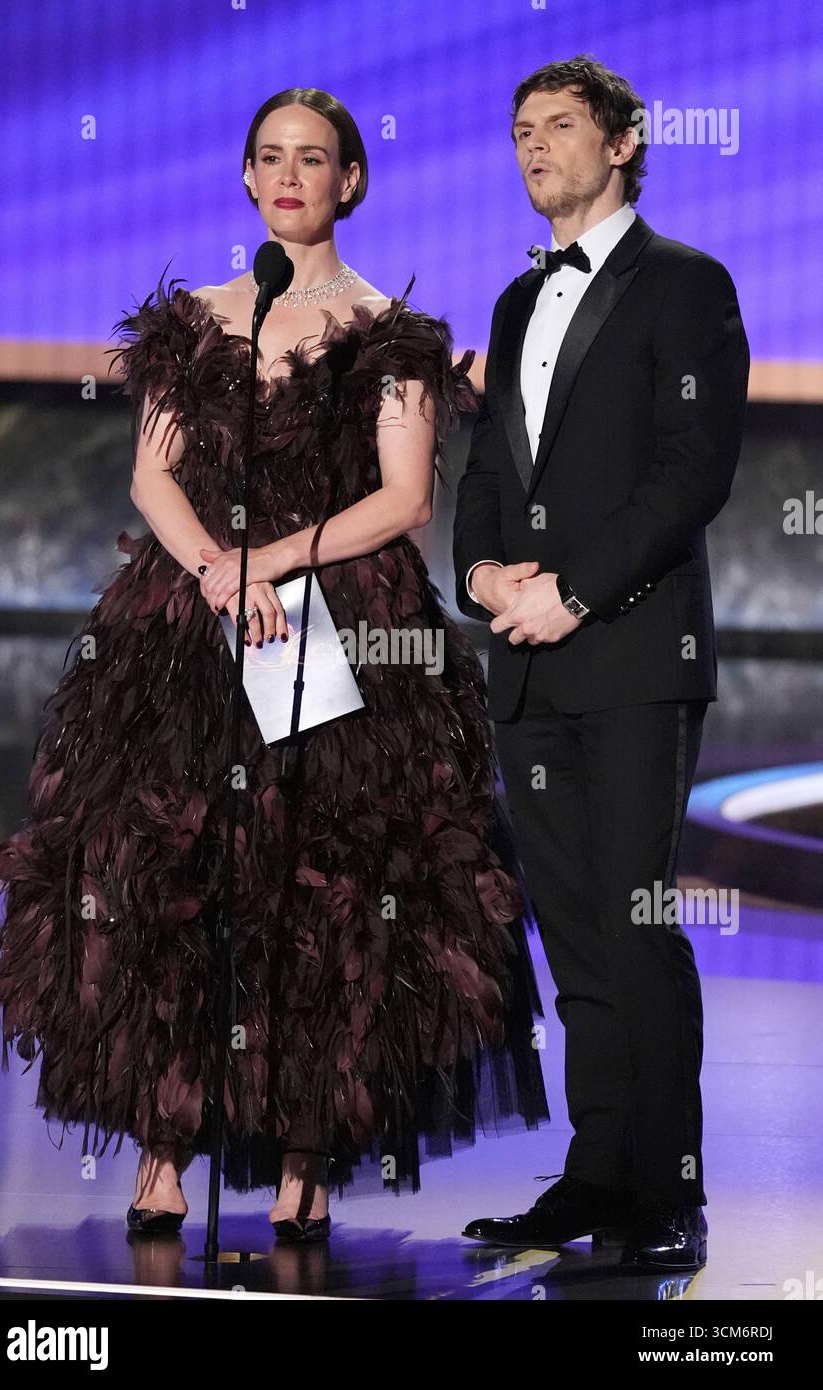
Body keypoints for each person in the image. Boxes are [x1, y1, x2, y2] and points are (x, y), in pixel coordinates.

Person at [0, 87, 549, 1244]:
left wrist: (273, 562)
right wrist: (213, 571)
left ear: (351, 180)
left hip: (342, 622)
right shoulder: (196, 321)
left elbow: (402, 498)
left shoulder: (388, 334)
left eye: (315, 159)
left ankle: (309, 1152)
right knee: (172, 873)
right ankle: (164, 1139)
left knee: (325, 880)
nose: (290, 176)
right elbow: (154, 476)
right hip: (192, 626)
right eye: (270, 158)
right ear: (246, 179)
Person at [453, 56, 749, 1270]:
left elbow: (693, 471)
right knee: (570, 933)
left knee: (635, 926)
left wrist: (573, 592)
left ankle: (664, 1190)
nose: (533, 146)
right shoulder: (517, 302)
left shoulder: (685, 284)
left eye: (559, 126)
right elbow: (486, 474)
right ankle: (592, 1174)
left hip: (630, 652)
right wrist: (477, 579)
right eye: (520, 129)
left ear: (624, 141)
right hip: (524, 662)